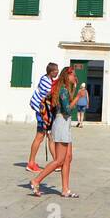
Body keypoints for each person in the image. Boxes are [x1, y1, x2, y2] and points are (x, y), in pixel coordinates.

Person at [29, 67, 79, 198]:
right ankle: (36, 181)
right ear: (67, 76)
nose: (75, 77)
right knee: (59, 160)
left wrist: (74, 88)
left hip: (65, 124)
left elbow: (67, 103)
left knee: (68, 158)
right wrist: (79, 96)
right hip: (61, 123)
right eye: (73, 75)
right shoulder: (62, 90)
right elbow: (67, 110)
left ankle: (65, 189)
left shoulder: (65, 90)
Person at [26, 62, 58, 172]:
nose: (57, 72)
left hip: (46, 113)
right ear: (51, 71)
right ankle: (31, 163)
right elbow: (48, 94)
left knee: (50, 137)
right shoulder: (45, 80)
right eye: (55, 70)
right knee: (39, 137)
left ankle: (56, 162)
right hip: (42, 112)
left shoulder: (50, 80)